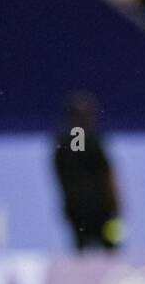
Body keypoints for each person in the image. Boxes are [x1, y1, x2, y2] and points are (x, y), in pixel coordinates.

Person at [51, 91, 123, 252]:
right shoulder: (79, 140)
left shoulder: (72, 141)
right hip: (89, 210)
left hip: (100, 211)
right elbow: (103, 173)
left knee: (112, 247)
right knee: (89, 251)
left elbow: (106, 173)